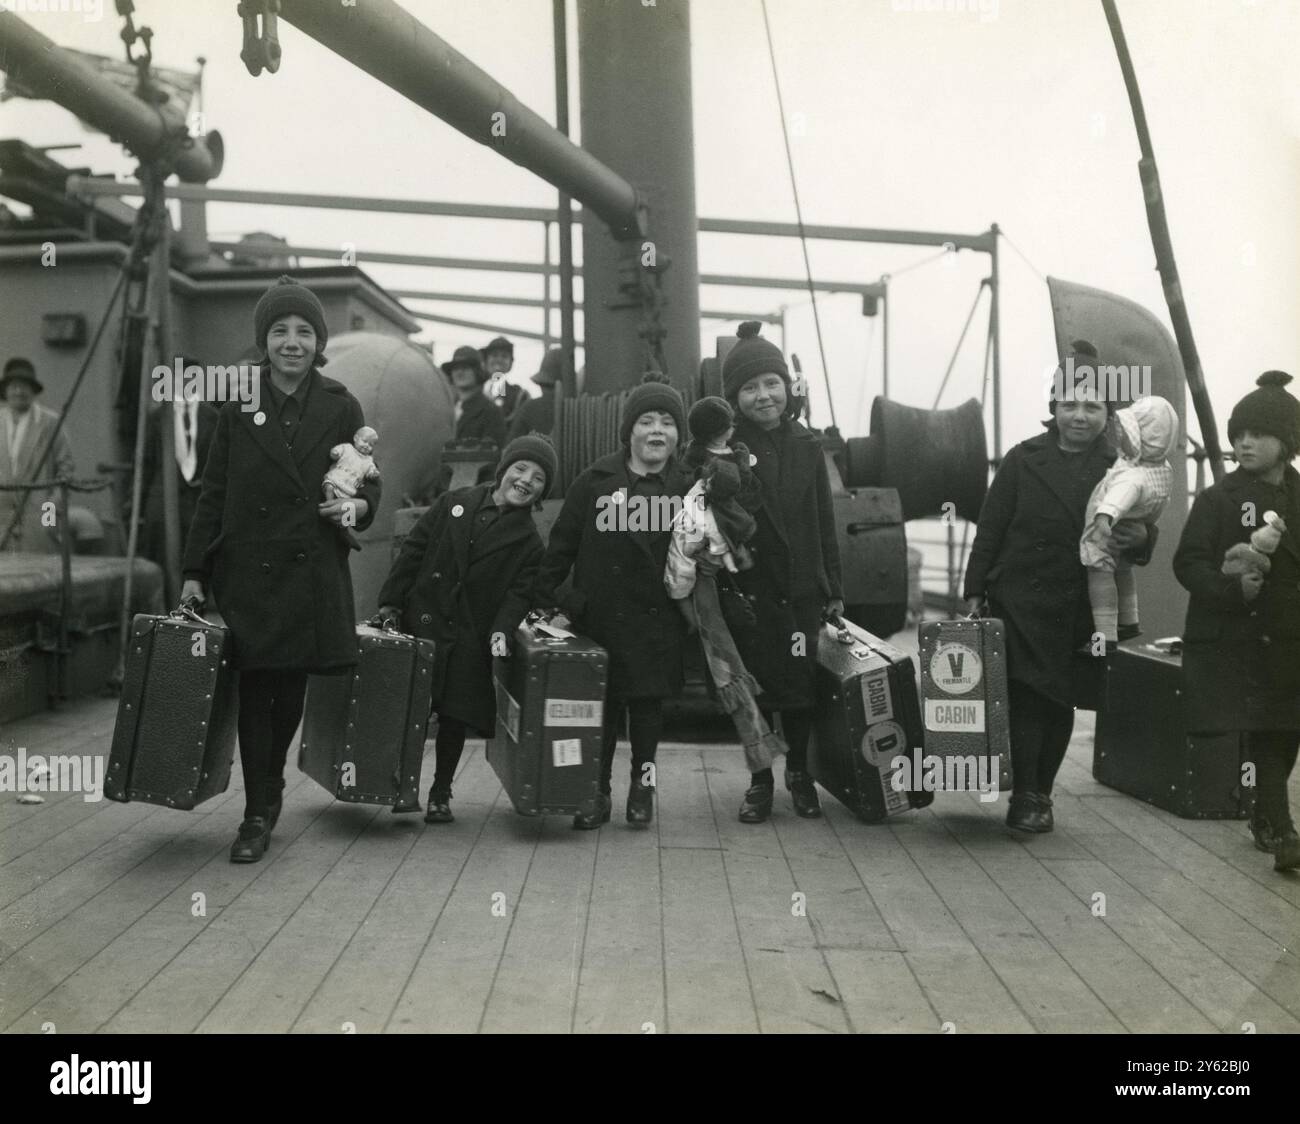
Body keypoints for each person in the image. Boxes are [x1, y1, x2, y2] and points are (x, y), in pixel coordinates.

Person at [180, 276, 381, 864]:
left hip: (311, 568)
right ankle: (257, 810)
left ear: (318, 340)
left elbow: (368, 481)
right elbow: (212, 492)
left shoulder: (342, 404)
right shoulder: (238, 404)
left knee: (288, 686)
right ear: (263, 341)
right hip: (251, 568)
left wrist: (358, 507)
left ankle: (266, 796)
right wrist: (195, 569)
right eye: (279, 331)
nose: (291, 342)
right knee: (255, 688)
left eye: (303, 331)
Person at [963, 340, 1154, 834]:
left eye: (1093, 406)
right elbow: (991, 528)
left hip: (1083, 604)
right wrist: (974, 589)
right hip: (1020, 598)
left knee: (1061, 697)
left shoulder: (1121, 468)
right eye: (1070, 404)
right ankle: (1027, 794)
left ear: (1108, 412)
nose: (1080, 416)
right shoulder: (1022, 460)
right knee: (1026, 695)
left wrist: (1141, 537)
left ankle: (1039, 793)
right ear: (1053, 406)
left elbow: (1141, 530)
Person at [533, 372, 690, 829]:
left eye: (667, 422)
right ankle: (594, 792)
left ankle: (643, 787)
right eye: (646, 421)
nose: (656, 431)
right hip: (600, 617)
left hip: (657, 621)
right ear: (629, 432)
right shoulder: (594, 481)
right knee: (598, 712)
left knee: (646, 712)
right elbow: (560, 546)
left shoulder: (689, 489)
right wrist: (551, 602)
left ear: (678, 435)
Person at [377, 434, 553, 823]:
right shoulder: (453, 504)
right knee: (412, 711)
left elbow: (517, 597)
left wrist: (500, 632)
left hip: (470, 635)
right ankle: (402, 787)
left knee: (453, 719)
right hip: (425, 619)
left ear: (542, 491)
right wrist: (391, 602)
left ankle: (441, 792)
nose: (526, 481)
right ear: (504, 470)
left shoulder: (530, 546)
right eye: (521, 469)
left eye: (538, 478)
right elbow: (414, 551)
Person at [1173, 371, 1300, 872]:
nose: (1244, 443)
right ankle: (1277, 825)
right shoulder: (1218, 500)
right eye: (1238, 434)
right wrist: (1230, 589)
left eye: (1258, 434)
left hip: (1292, 638)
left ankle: (1266, 815)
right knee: (1266, 728)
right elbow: (1188, 563)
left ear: (1287, 442)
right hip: (1240, 639)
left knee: (1287, 729)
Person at [724, 322, 844, 824]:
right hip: (750, 592)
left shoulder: (808, 445)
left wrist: (832, 588)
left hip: (799, 592)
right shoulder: (727, 450)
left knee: (799, 689)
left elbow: (823, 519)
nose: (763, 395)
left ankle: (798, 773)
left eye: (771, 383)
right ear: (735, 398)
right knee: (753, 690)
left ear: (786, 387)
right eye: (749, 388)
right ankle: (759, 781)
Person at [1079, 395, 1178, 646]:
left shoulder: (1131, 473)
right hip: (1124, 533)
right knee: (1122, 569)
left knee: (1100, 574)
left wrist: (1105, 520)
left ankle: (1105, 637)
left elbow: (1117, 499)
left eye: (1092, 407)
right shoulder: (1161, 470)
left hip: (1105, 533)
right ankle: (1130, 620)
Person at [140, 371, 218, 571]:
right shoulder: (157, 417)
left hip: (200, 498)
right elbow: (145, 463)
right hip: (164, 497)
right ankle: (166, 600)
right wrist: (137, 504)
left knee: (201, 554)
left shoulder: (212, 416)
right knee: (162, 555)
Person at [0, 357, 75, 554]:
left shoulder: (50, 423)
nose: (19, 391)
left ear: (33, 391)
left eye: (24, 386)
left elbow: (66, 472)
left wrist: (49, 518)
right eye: (14, 386)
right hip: (1, 521)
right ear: (5, 391)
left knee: (43, 575)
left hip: (38, 522)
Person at [443, 345, 508, 450]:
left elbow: (493, 454)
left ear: (478, 372)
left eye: (466, 368)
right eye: (456, 368)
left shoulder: (490, 411)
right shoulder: (447, 409)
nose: (460, 372)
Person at [506, 347, 563, 442]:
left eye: (549, 387)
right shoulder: (530, 408)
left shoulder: (530, 408)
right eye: (544, 386)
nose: (545, 392)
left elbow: (510, 450)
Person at [482, 336, 524, 428]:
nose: (499, 360)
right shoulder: (475, 388)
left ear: (510, 364)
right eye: (494, 355)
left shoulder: (518, 395)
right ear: (485, 360)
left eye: (504, 356)